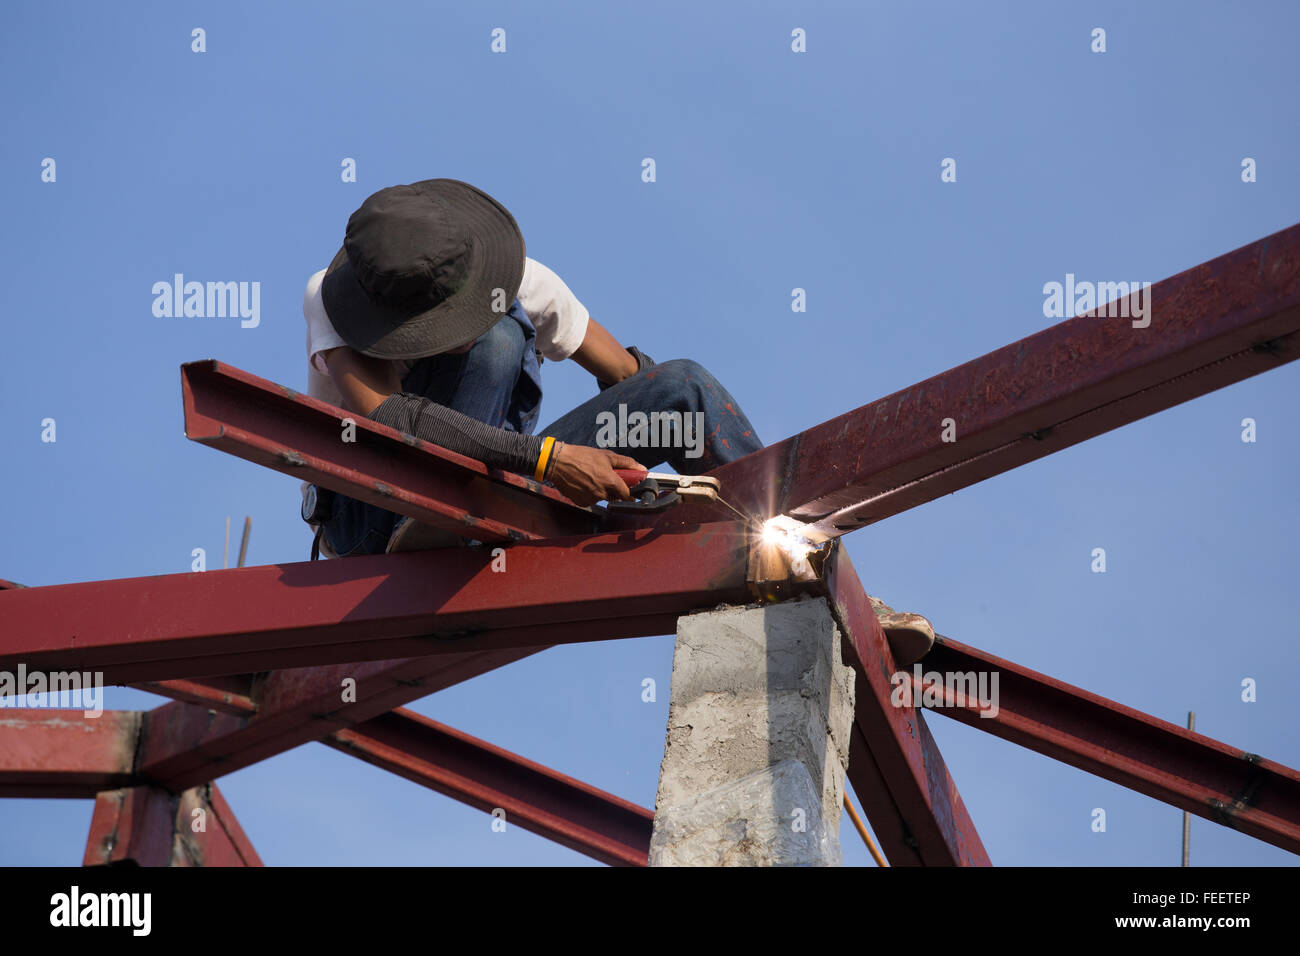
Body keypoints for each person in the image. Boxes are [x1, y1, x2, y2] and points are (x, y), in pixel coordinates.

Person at [299, 178, 763, 558]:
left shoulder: (524, 281)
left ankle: (780, 533)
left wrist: (642, 456)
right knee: (497, 339)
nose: (458, 335)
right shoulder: (330, 299)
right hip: (373, 517)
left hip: (499, 479)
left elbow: (630, 377)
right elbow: (393, 417)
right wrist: (547, 460)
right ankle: (437, 522)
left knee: (682, 387)